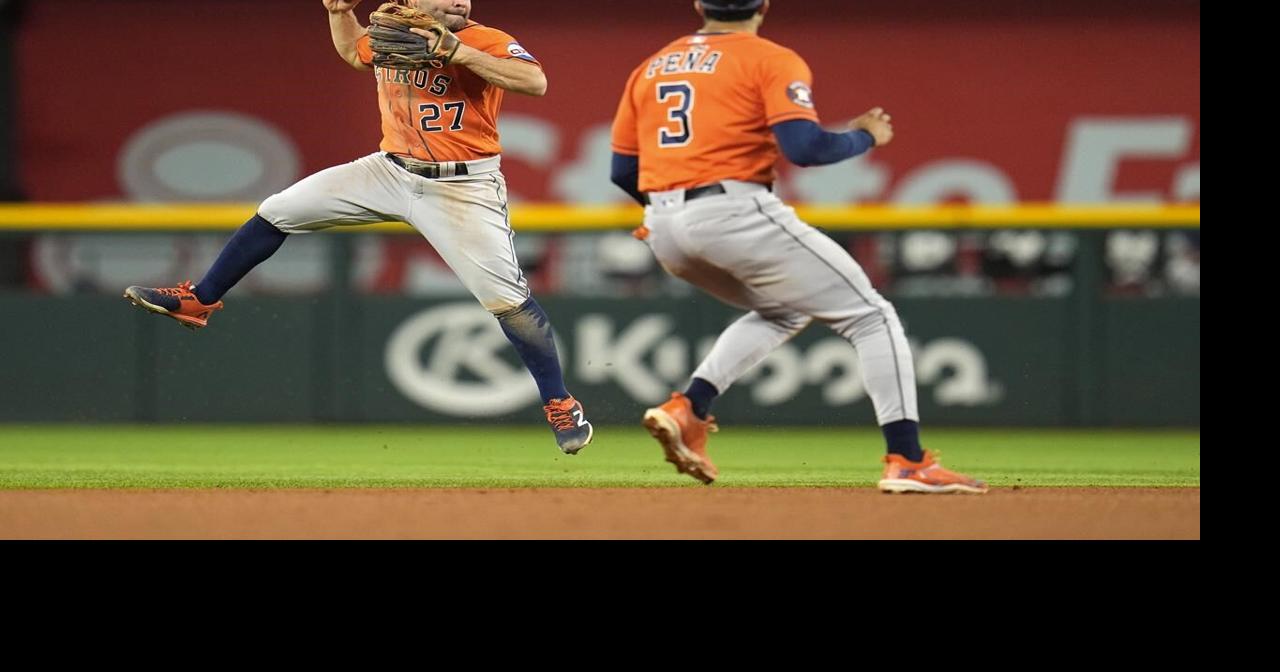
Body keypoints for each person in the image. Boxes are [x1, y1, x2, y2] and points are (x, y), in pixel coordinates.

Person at [123, 0, 593, 454]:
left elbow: (535, 81)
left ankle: (559, 401)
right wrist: (339, 13)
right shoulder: (397, 32)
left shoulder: (486, 39)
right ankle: (200, 299)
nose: (460, 3)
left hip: (463, 185)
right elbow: (353, 52)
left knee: (508, 301)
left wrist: (456, 51)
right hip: (389, 170)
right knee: (279, 209)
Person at [609, 0, 985, 492]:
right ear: (763, 4)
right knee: (872, 317)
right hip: (734, 208)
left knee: (782, 310)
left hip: (662, 225)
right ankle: (908, 460)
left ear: (700, 4)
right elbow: (804, 148)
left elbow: (622, 172)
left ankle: (689, 408)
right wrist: (864, 136)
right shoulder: (769, 57)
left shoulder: (651, 66)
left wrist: (677, 208)